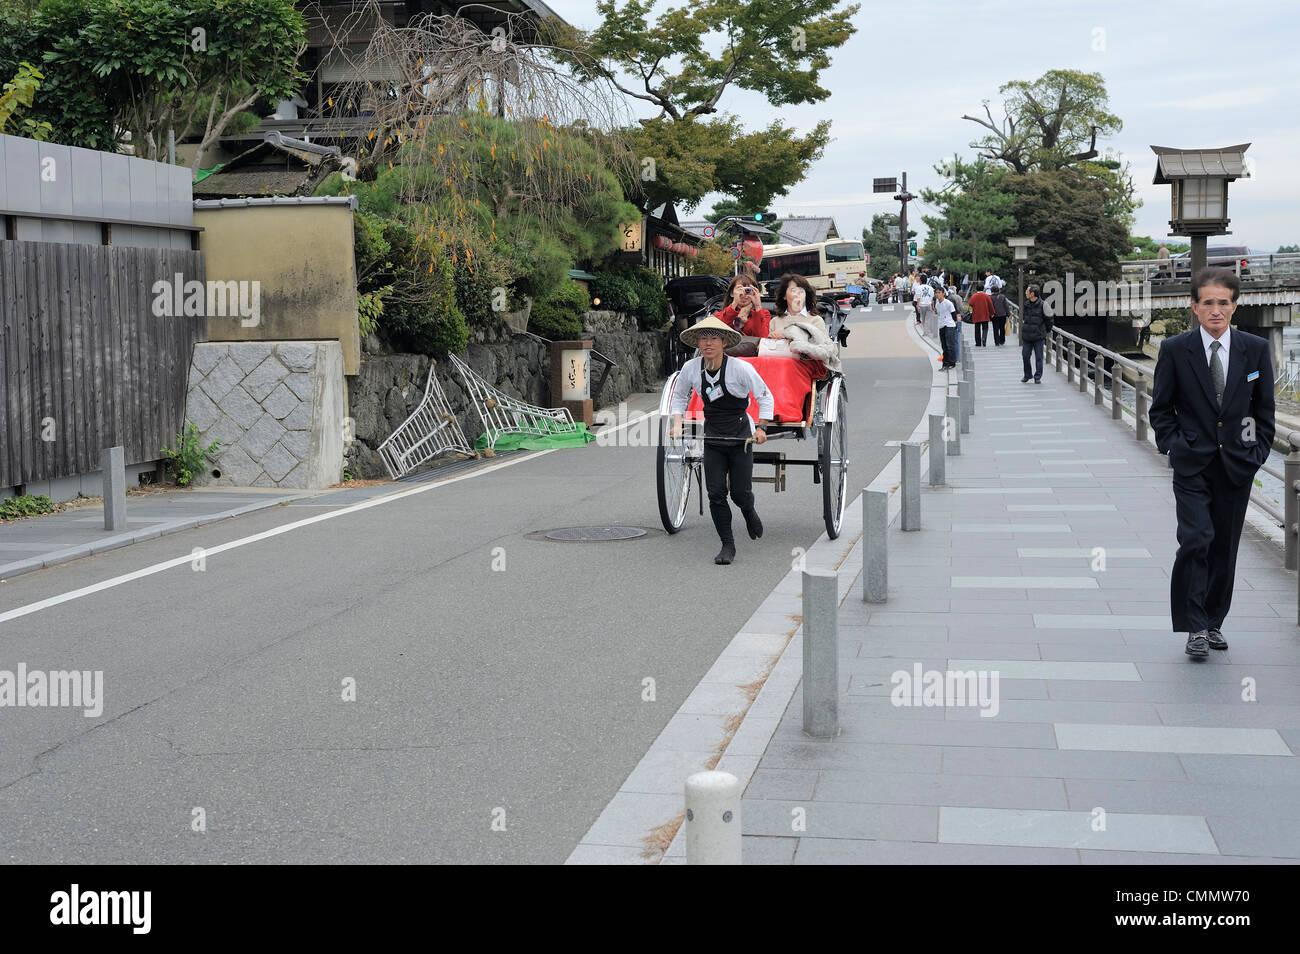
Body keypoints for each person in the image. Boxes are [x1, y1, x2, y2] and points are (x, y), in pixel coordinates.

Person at [1149, 268, 1276, 659]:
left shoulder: (1254, 350)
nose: (1216, 310)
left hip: (1237, 467)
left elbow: (1262, 411)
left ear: (1235, 306)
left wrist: (1254, 455)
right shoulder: (1175, 350)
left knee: (1224, 547)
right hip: (1192, 466)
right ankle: (1195, 627)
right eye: (1208, 303)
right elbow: (1161, 410)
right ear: (1195, 306)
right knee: (1195, 540)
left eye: (1224, 302)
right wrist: (1175, 447)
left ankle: (1214, 621)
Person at [668, 316, 775, 565]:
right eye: (703, 338)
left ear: (724, 342)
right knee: (716, 493)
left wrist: (761, 428)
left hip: (741, 437)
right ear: (698, 342)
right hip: (713, 436)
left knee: (740, 493)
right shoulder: (691, 369)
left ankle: (748, 510)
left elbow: (765, 397)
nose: (708, 343)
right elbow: (680, 396)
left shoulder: (740, 368)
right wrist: (677, 422)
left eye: (713, 338)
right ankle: (727, 544)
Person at [715, 274, 770, 355]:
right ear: (732, 293)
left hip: (753, 357)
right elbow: (721, 332)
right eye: (740, 289)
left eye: (748, 290)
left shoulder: (763, 314)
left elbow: (763, 338)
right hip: (727, 356)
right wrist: (734, 303)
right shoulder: (720, 314)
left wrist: (758, 306)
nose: (744, 294)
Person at [1019, 284, 1051, 382]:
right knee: (1025, 356)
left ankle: (1038, 377)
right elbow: (1024, 317)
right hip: (1027, 335)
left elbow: (1049, 319)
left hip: (1038, 335)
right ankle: (1027, 375)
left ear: (1032, 294)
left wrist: (1046, 330)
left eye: (1027, 291)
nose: (1026, 293)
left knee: (1039, 357)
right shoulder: (1027, 304)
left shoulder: (1044, 305)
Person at [935, 286, 957, 368]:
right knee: (944, 345)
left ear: (943, 294)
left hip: (949, 324)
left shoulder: (948, 303)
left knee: (950, 344)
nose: (937, 295)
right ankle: (945, 363)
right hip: (942, 325)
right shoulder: (937, 304)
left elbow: (953, 314)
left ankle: (952, 362)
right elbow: (939, 314)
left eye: (939, 293)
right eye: (936, 293)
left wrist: (955, 323)